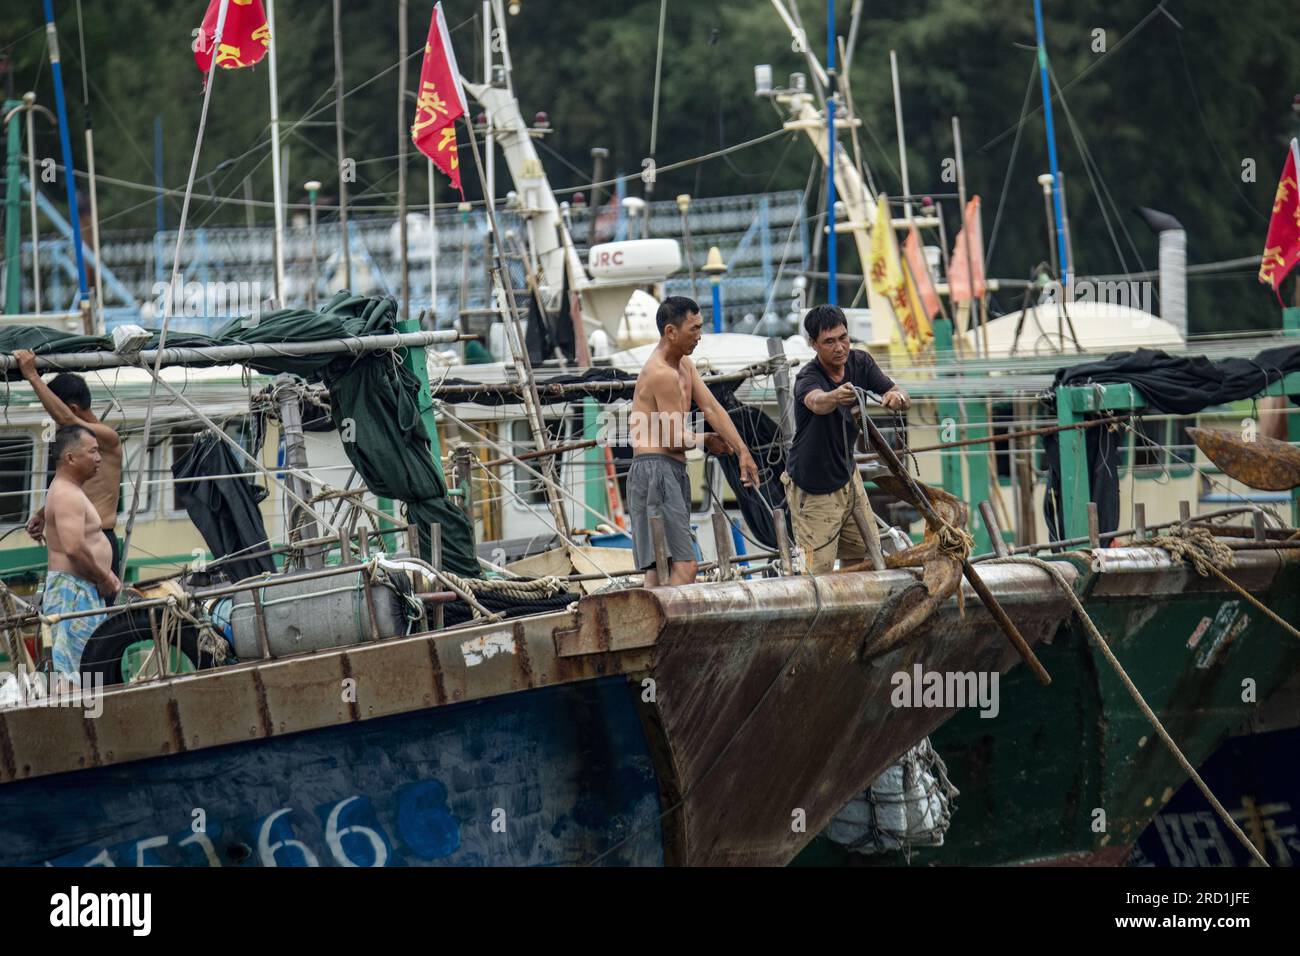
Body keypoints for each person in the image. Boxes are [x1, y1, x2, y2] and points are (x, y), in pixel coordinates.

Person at [628, 296, 761, 586]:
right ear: (670, 332)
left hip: (669, 470)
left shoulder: (684, 364)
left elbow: (712, 408)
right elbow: (674, 437)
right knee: (685, 567)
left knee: (659, 568)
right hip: (655, 470)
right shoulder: (661, 373)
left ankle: (652, 628)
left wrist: (743, 451)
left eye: (701, 328)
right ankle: (673, 629)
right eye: (694, 329)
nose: (699, 336)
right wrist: (708, 440)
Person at [782, 304, 911, 575]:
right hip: (812, 487)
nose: (840, 347)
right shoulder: (808, 377)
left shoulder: (861, 362)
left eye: (843, 338)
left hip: (848, 477)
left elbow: (898, 393)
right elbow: (816, 402)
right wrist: (834, 397)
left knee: (867, 554)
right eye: (829, 342)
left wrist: (895, 398)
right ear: (813, 344)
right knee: (815, 574)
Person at [15, 350, 124, 578]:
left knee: (99, 610)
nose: (57, 421)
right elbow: (78, 489)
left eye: (55, 412)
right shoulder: (80, 448)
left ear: (73, 409)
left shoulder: (106, 438)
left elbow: (66, 419)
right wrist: (42, 514)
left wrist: (32, 376)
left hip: (98, 538)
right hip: (75, 538)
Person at [43, 424, 120, 675]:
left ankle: (86, 714)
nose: (99, 458)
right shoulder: (67, 494)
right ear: (71, 458)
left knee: (86, 667)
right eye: (93, 451)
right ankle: (76, 715)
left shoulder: (70, 490)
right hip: (72, 592)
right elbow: (74, 548)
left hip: (79, 589)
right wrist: (104, 576)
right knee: (75, 672)